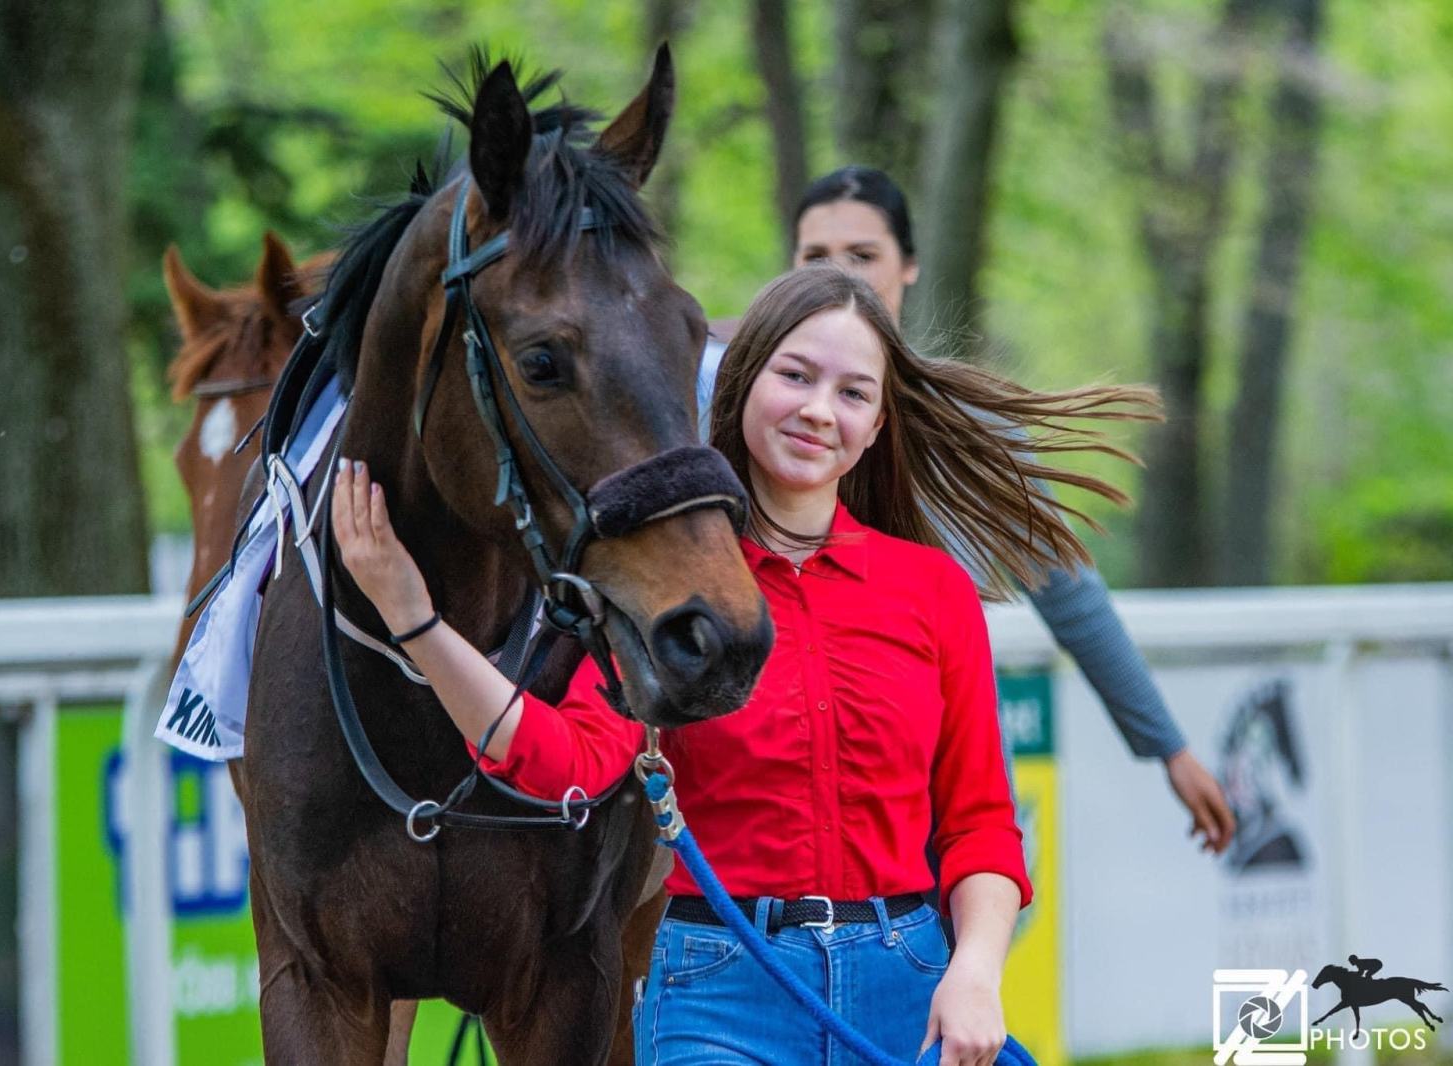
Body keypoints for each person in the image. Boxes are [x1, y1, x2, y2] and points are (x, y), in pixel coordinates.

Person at [331, 266, 1157, 1065]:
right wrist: (414, 619)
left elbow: (979, 826)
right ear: (743, 383)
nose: (819, 410)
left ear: (877, 426)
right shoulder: (669, 596)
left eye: (853, 393)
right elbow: (565, 763)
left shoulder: (932, 591)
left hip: (909, 985)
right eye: (795, 376)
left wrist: (974, 974)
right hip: (719, 988)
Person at [701, 165, 1235, 856]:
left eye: (863, 255)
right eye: (816, 256)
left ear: (908, 266)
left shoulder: (974, 431)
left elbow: (1070, 594)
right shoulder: (746, 417)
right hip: (764, 815)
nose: (841, 274)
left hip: (941, 809)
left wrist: (1168, 746)